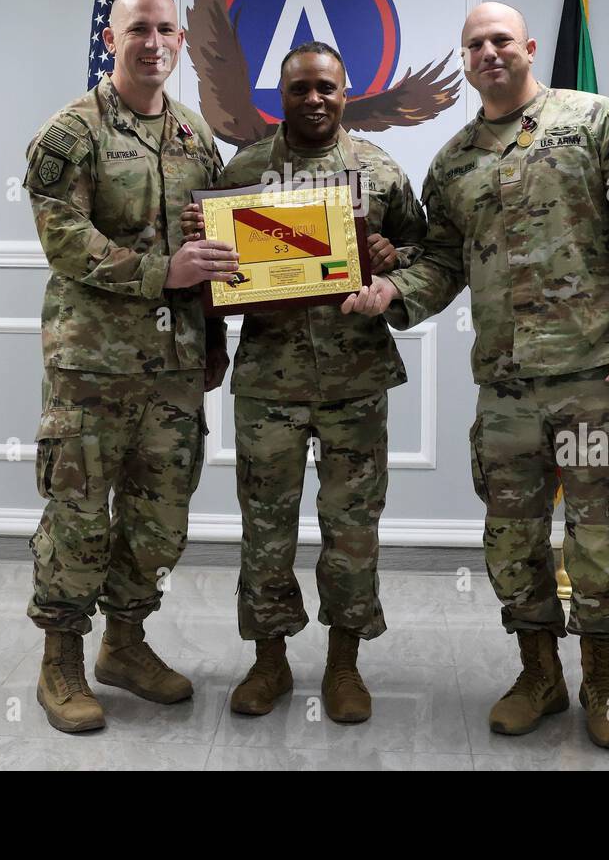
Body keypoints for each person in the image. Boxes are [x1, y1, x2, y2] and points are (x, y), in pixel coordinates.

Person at [343, 2, 609, 749]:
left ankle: (603, 681)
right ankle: (539, 674)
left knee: (599, 535)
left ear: (528, 47)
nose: (490, 52)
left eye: (502, 40)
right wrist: (392, 293)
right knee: (511, 537)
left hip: (597, 378)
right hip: (505, 387)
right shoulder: (455, 161)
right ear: (464, 60)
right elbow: (439, 263)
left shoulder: (603, 125)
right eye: (475, 45)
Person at [181, 42, 426, 723]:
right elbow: (211, 273)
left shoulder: (377, 170)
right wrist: (202, 241)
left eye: (326, 87)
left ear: (345, 93)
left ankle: (344, 663)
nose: (314, 99)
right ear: (279, 96)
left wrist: (391, 257)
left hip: (356, 380)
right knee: (265, 529)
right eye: (300, 89)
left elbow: (428, 253)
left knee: (352, 529)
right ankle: (270, 661)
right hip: (270, 381)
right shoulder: (246, 171)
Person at [23, 0, 240, 734]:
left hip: (175, 368)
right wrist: (159, 272)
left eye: (167, 31)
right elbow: (64, 239)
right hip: (92, 368)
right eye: (139, 28)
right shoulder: (71, 132)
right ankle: (60, 660)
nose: (154, 42)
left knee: (159, 519)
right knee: (78, 517)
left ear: (182, 44)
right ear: (112, 39)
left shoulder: (195, 138)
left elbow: (213, 250)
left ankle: (126, 641)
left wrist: (213, 339)